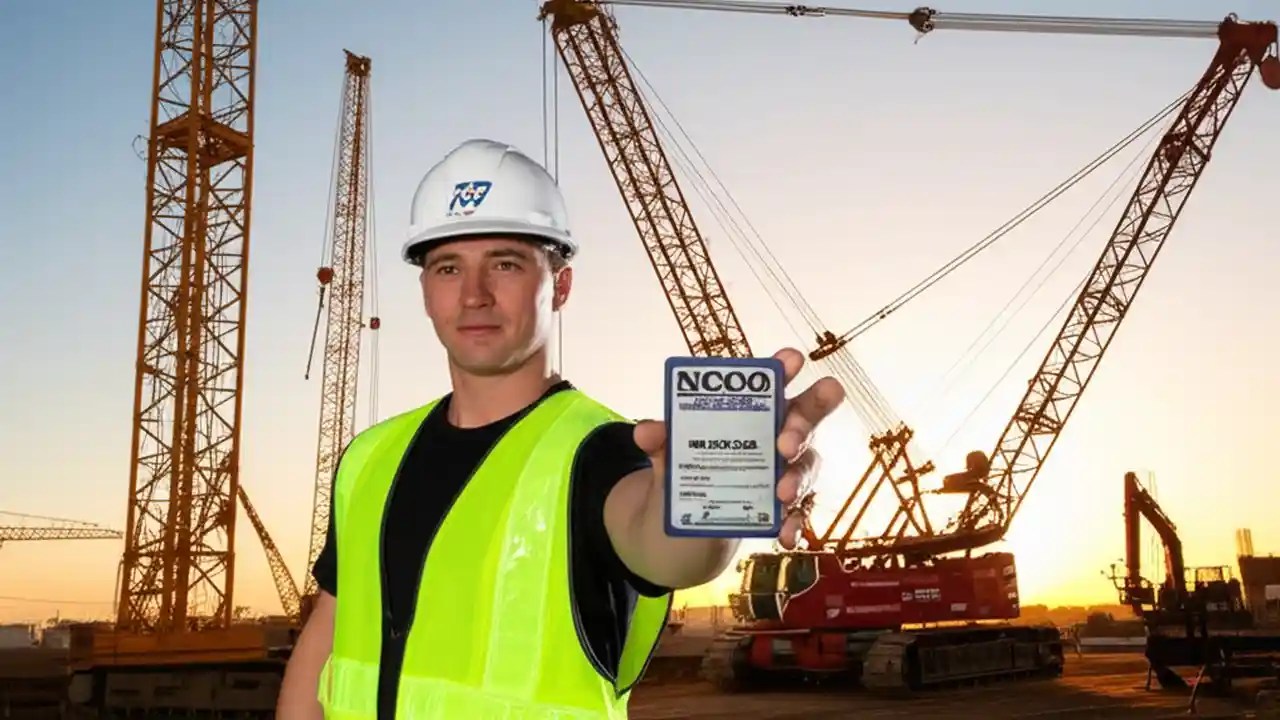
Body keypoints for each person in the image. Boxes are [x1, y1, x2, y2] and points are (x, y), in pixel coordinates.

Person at [276, 138, 844, 719]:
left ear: (561, 285)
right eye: (448, 268)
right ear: (425, 290)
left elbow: (672, 554)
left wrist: (714, 489)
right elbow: (328, 639)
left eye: (505, 264)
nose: (474, 295)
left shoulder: (602, 453)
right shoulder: (372, 455)